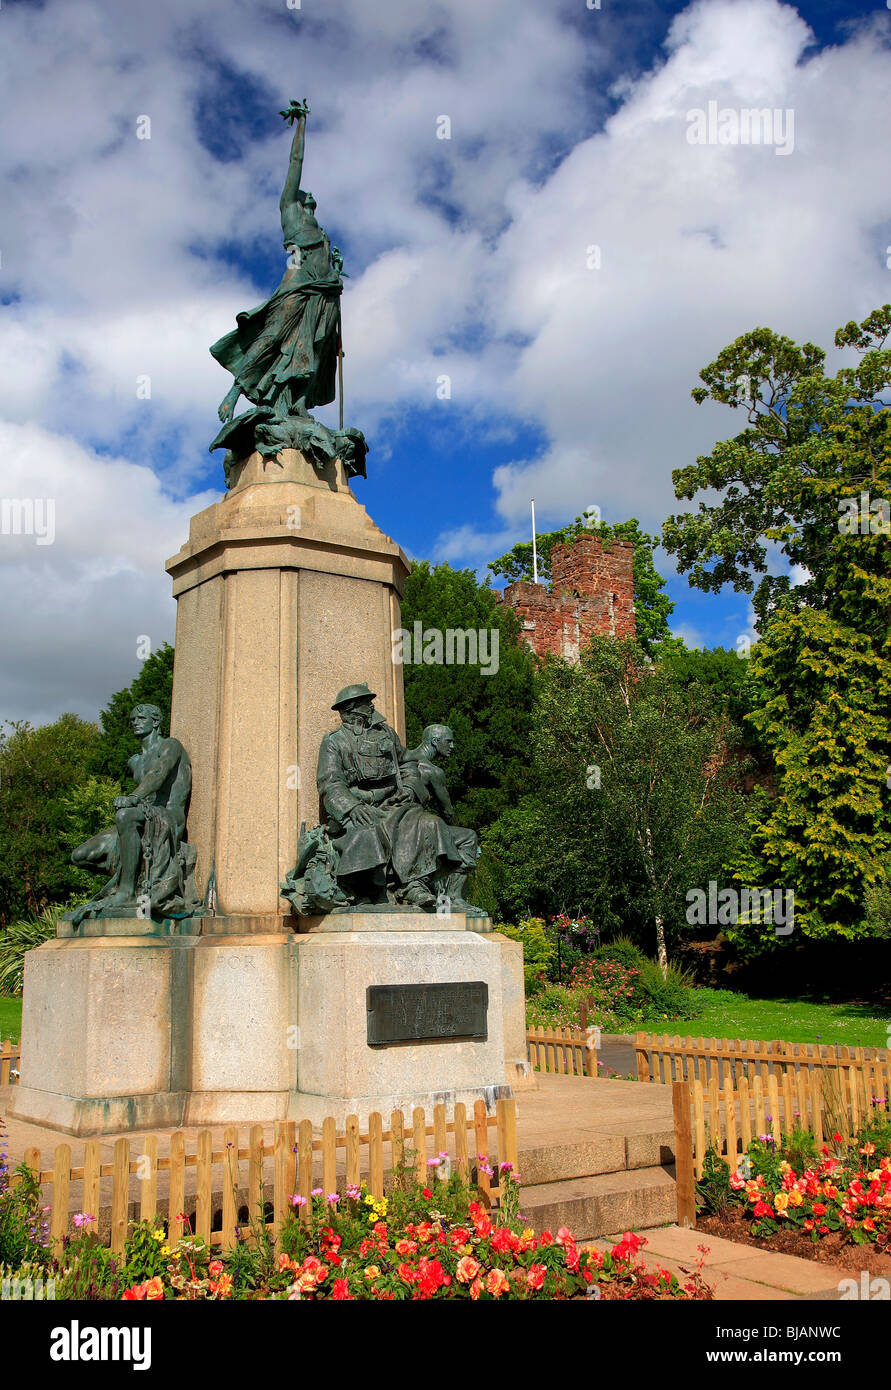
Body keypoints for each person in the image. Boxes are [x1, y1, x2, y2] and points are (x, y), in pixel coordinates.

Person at [68, 704, 200, 925]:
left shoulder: (170, 746)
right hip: (142, 817)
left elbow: (158, 774)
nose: (135, 723)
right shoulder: (135, 761)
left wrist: (134, 797)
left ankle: (127, 892)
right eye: (132, 720)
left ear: (156, 722)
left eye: (140, 718)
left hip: (167, 816)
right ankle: (132, 875)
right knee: (80, 856)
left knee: (125, 816)